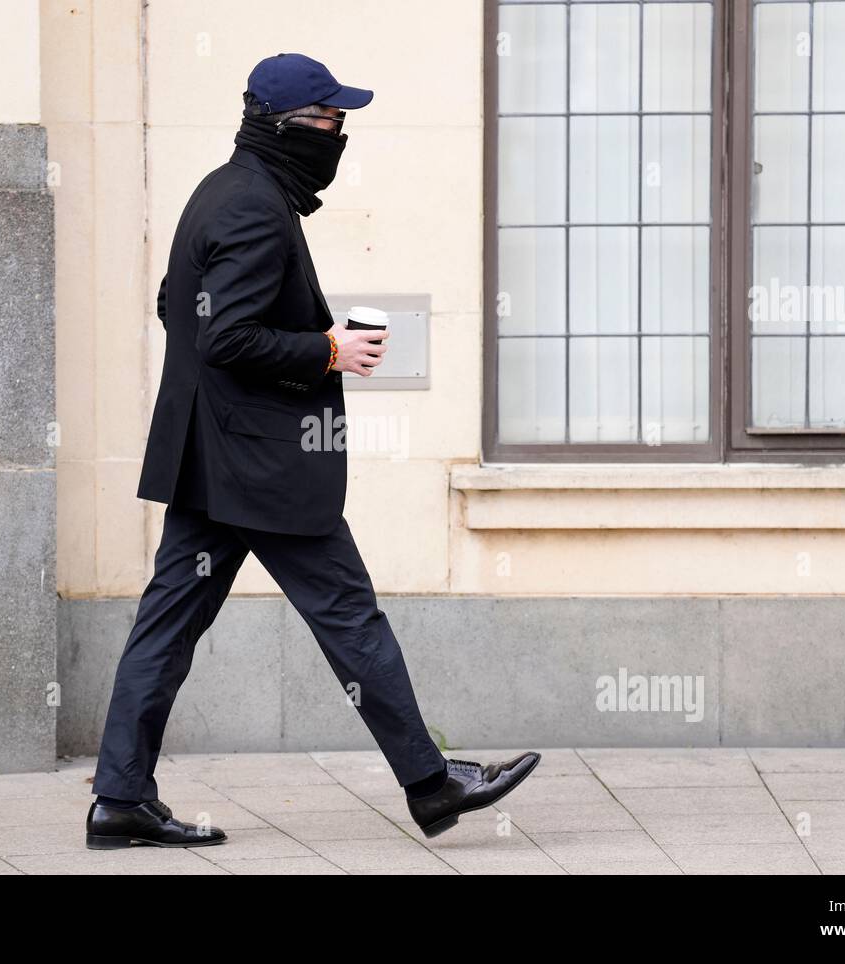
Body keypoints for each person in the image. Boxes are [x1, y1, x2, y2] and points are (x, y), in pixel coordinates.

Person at [86, 52, 539, 849]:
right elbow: (225, 333)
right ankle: (432, 785)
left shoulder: (220, 190)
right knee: (349, 616)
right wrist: (327, 353)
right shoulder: (256, 207)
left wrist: (238, 396)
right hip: (261, 468)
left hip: (214, 461)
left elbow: (176, 307)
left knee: (166, 626)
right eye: (331, 121)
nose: (339, 134)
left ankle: (121, 798)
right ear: (288, 126)